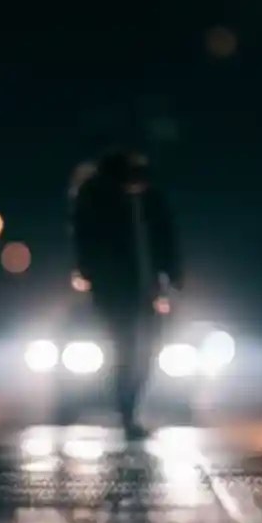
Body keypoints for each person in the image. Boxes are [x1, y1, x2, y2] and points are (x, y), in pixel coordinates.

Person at [70, 149, 183, 439]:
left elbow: (166, 241)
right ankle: (126, 409)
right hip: (116, 289)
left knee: (146, 350)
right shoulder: (100, 201)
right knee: (126, 348)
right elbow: (87, 242)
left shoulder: (150, 202)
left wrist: (172, 280)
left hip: (146, 289)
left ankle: (128, 406)